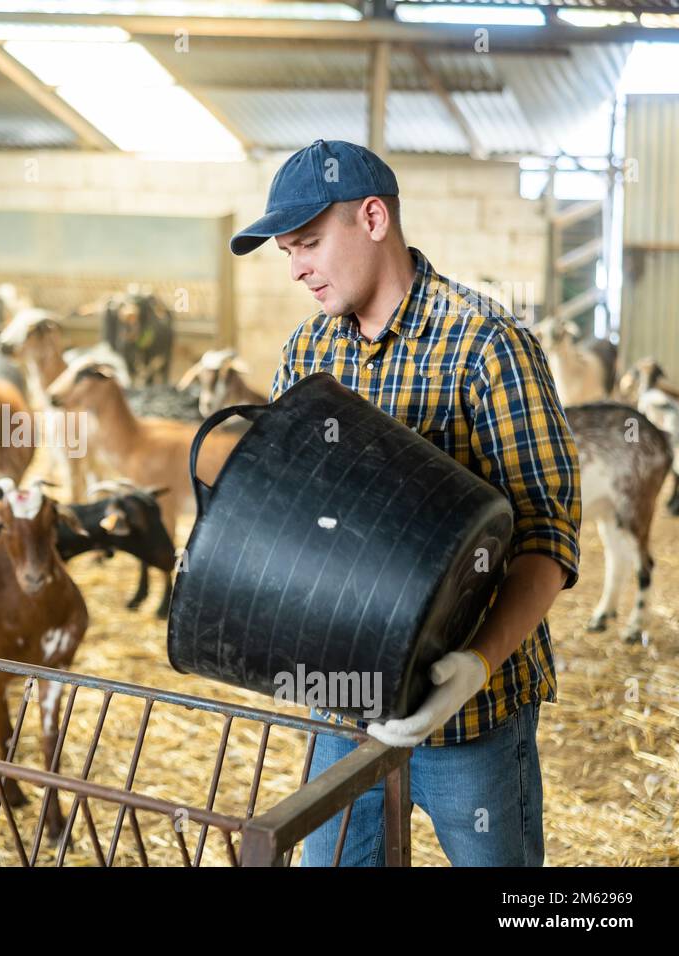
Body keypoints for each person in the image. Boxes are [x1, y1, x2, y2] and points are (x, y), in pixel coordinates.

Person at [229, 139, 581, 866]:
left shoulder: (488, 346)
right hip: (343, 708)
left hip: (473, 721)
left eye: (308, 244)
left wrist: (472, 669)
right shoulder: (305, 356)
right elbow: (298, 519)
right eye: (287, 251)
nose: (295, 267)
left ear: (373, 217)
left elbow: (546, 536)